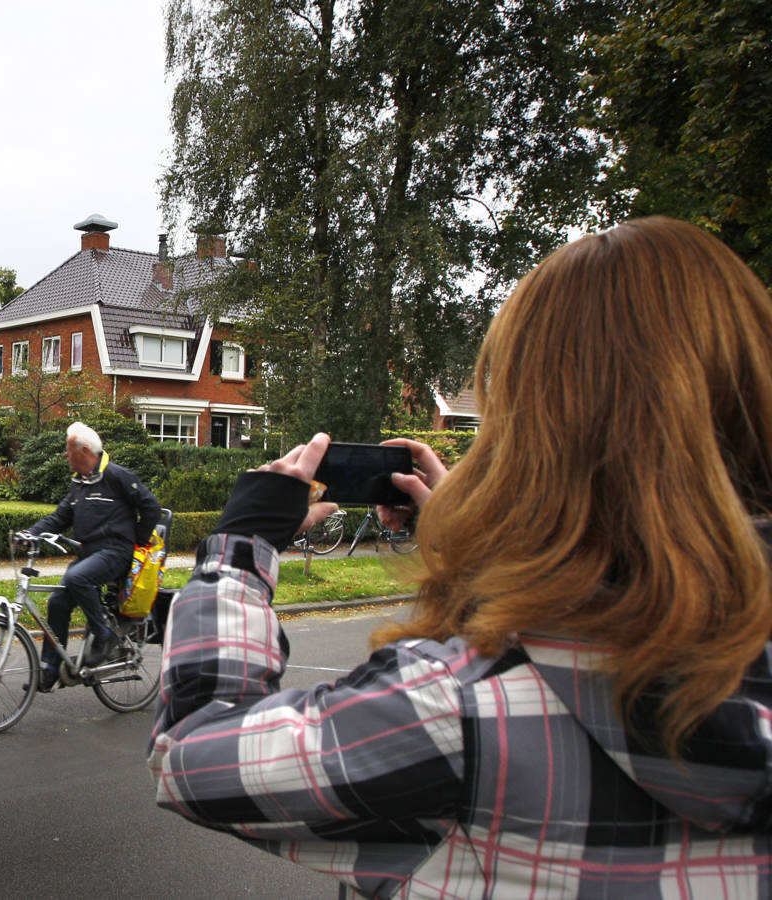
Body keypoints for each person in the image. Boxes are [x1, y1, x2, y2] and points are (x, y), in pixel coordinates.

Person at [148, 217, 772, 896]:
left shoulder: (456, 712)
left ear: (533, 430)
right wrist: (481, 547)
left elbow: (194, 758)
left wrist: (240, 553)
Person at [25, 421, 159, 690]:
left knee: (76, 578)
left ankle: (104, 635)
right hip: (90, 556)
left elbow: (151, 508)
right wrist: (30, 534)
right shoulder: (80, 483)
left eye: (68, 449)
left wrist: (138, 544)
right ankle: (52, 669)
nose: (65, 454)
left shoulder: (117, 476)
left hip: (116, 553)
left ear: (83, 451)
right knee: (57, 603)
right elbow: (60, 517)